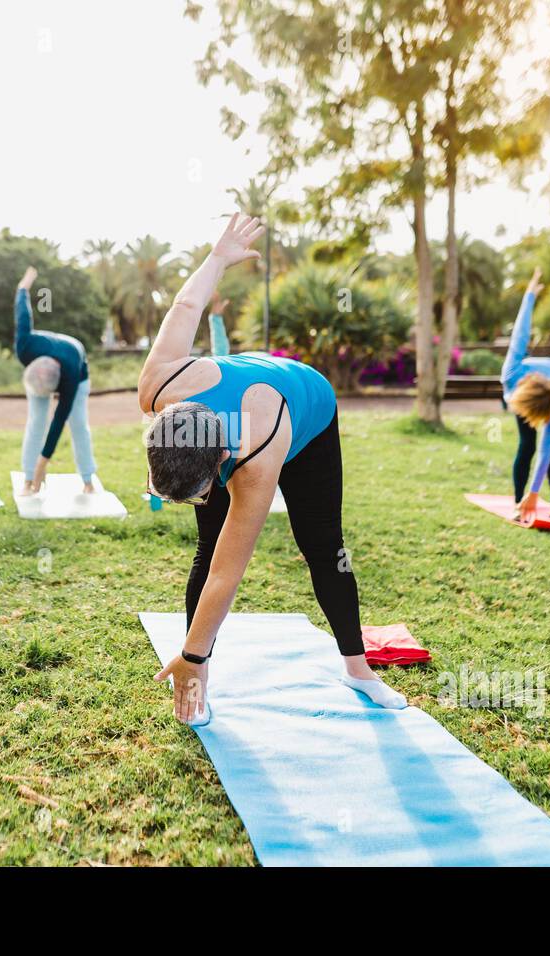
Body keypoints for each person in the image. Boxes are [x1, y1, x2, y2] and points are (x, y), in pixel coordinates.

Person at [141, 213, 406, 725]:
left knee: (323, 546)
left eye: (203, 492)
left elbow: (228, 571)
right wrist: (217, 257)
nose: (202, 499)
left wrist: (189, 657)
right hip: (232, 402)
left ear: (223, 462)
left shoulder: (259, 453)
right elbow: (186, 304)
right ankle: (202, 680)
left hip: (308, 408)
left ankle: (359, 669)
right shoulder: (157, 388)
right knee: (204, 540)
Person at [13, 266, 97, 495]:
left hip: (77, 365)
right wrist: (23, 287)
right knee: (36, 421)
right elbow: (23, 314)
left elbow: (59, 420)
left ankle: (88, 479)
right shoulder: (25, 347)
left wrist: (44, 462)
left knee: (78, 423)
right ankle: (28, 479)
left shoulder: (70, 376)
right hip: (42, 371)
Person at [502, 267, 550, 524]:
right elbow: (520, 332)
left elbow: (547, 447)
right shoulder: (511, 371)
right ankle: (516, 502)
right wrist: (530, 294)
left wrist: (536, 494)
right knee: (526, 444)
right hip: (525, 389)